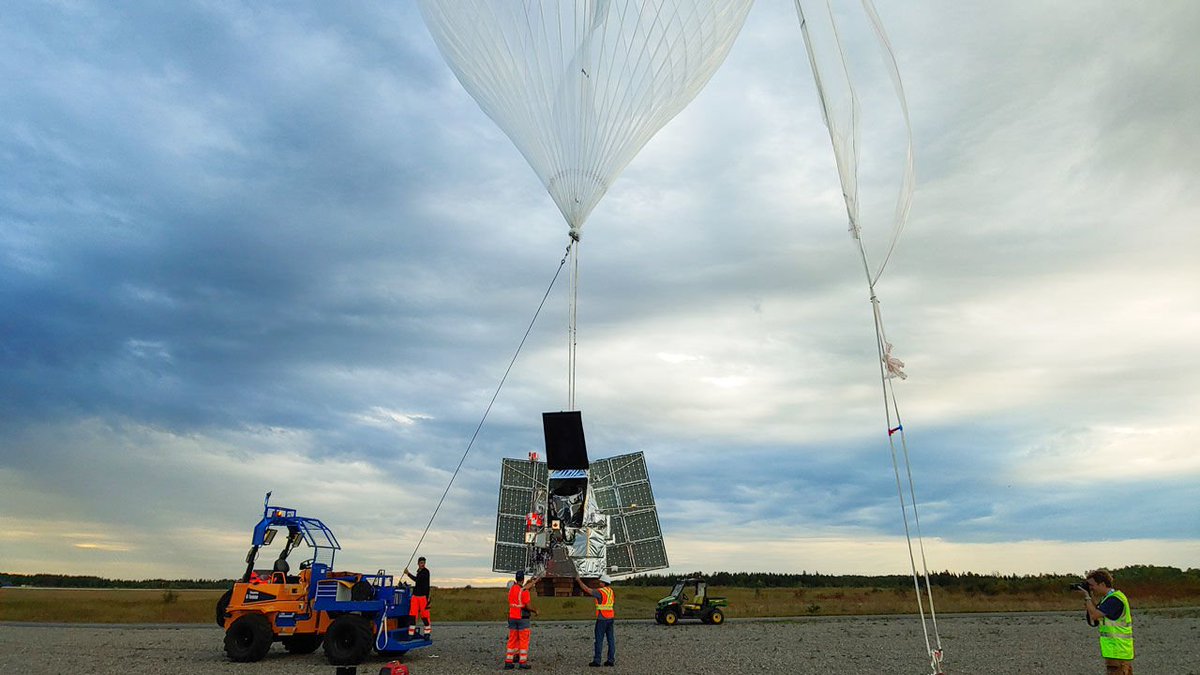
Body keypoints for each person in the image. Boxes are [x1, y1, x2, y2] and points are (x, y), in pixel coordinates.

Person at [1078, 568, 1134, 674]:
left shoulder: (1114, 600)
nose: (1090, 588)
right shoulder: (1108, 599)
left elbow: (1094, 615)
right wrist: (1090, 598)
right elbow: (1094, 618)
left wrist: (1087, 597)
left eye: (1091, 585)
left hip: (1118, 652)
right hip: (1117, 652)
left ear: (1102, 584)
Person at [574, 573, 615, 667]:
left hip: (602, 618)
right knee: (611, 640)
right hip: (610, 617)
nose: (599, 582)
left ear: (603, 583)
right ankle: (611, 660)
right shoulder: (610, 591)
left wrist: (579, 580)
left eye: (600, 581)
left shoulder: (600, 592)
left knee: (599, 640)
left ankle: (597, 661)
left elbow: (586, 590)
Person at [505, 570, 540, 670]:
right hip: (522, 618)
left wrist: (534, 581)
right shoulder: (524, 592)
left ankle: (509, 661)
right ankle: (522, 662)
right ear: (523, 579)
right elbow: (528, 606)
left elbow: (524, 587)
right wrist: (535, 611)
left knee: (512, 640)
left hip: (512, 617)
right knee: (524, 640)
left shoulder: (512, 589)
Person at [403, 557, 432, 637]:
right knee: (412, 615)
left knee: (425, 616)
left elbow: (418, 580)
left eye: (424, 563)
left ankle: (427, 633)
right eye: (421, 563)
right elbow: (417, 580)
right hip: (415, 596)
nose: (423, 564)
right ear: (418, 563)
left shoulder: (426, 572)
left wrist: (408, 573)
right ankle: (411, 634)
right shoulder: (419, 572)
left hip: (423, 597)